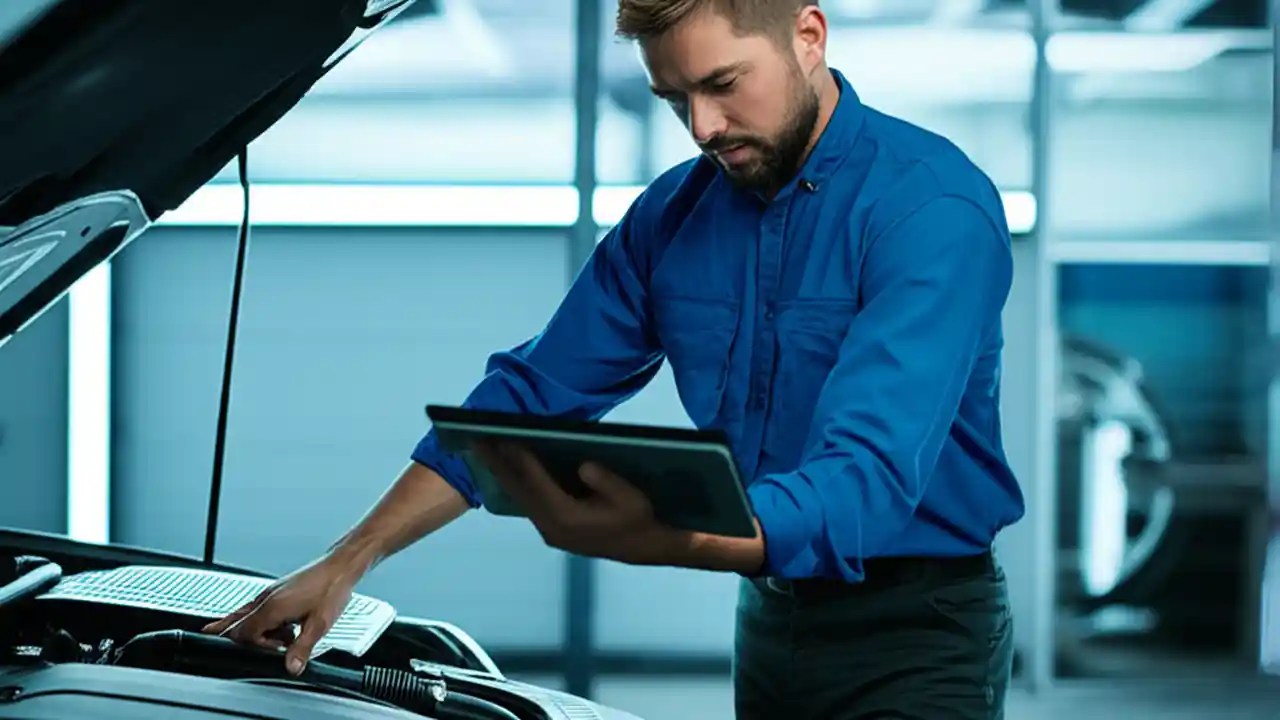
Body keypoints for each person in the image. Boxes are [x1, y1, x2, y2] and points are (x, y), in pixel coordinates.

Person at [203, 1, 1026, 717]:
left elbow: (865, 483)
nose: (703, 127)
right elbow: (528, 395)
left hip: (922, 629)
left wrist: (676, 539)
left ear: (808, 35)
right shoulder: (673, 216)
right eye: (675, 99)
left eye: (723, 84)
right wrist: (348, 560)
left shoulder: (931, 211)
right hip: (772, 618)